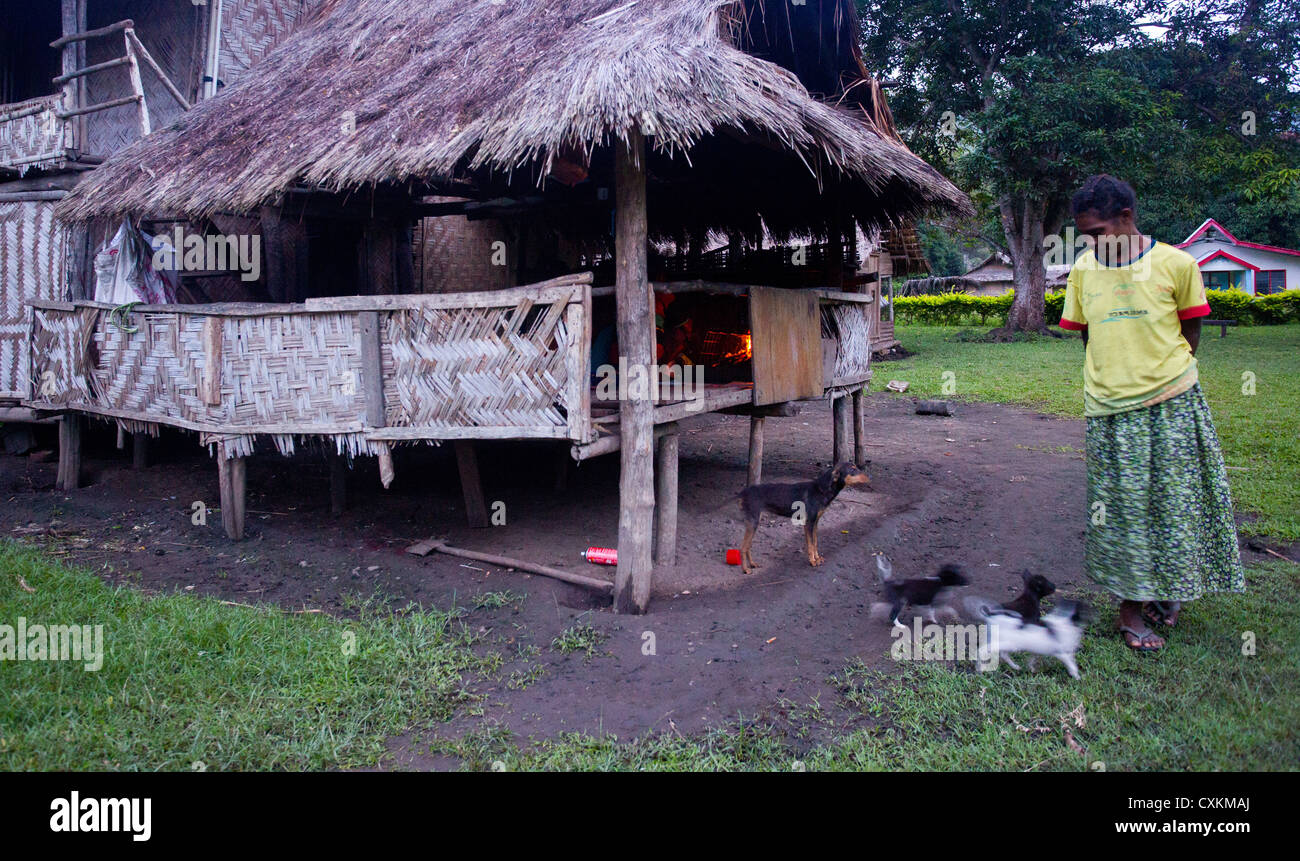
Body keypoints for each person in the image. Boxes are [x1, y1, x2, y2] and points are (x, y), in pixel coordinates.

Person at [1060, 174, 1245, 651]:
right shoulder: (1083, 269)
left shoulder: (1177, 264)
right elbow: (1088, 335)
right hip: (1110, 410)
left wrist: (1165, 377)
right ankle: (1129, 614)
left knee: (1173, 503)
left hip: (1173, 403)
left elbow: (1191, 333)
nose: (1091, 242)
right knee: (1122, 513)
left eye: (1098, 231)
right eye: (1085, 235)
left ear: (1126, 218)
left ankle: (1168, 594)